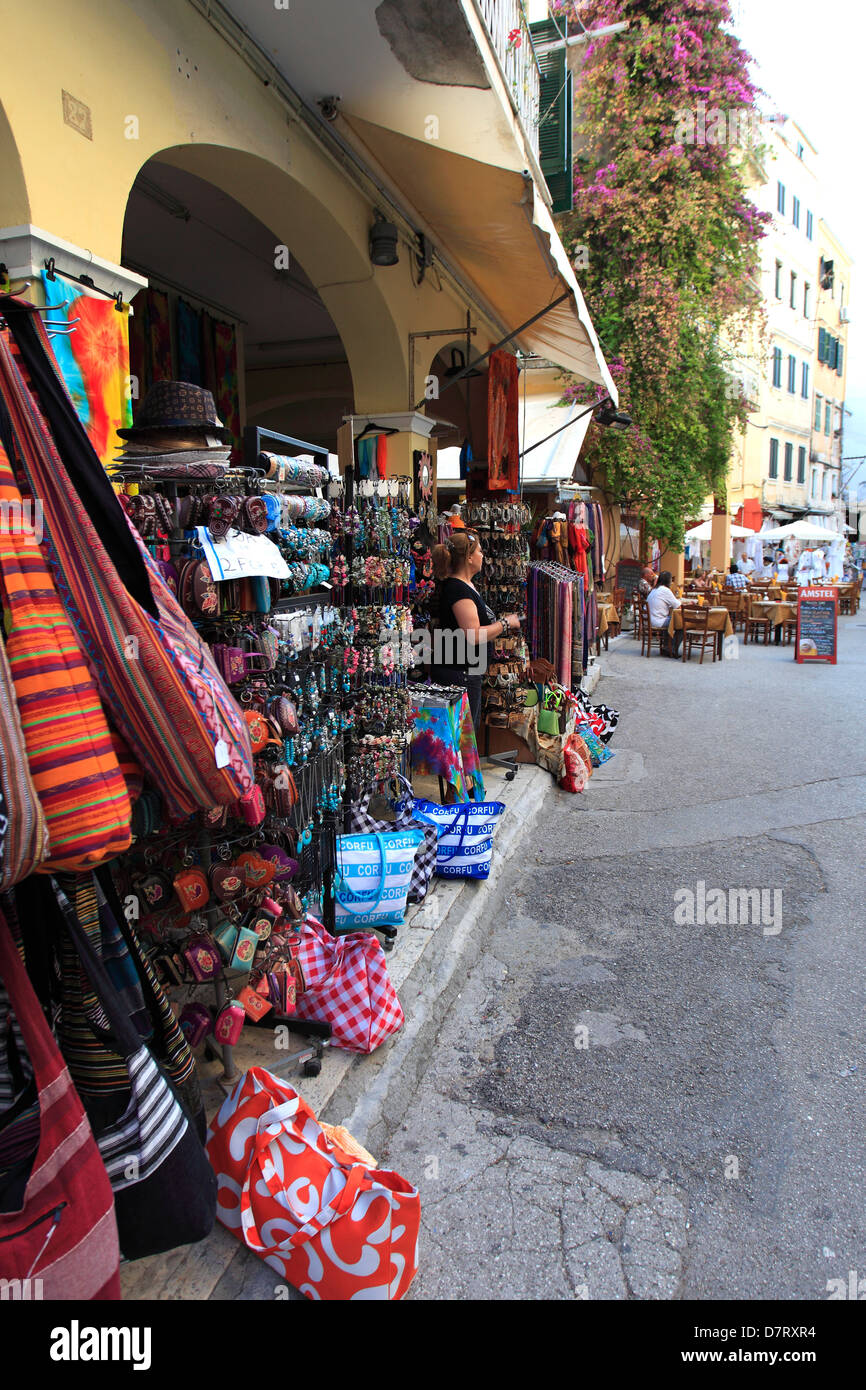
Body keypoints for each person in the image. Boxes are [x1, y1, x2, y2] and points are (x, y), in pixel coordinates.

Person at [430, 530, 520, 731]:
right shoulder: (457, 589)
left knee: (465, 737)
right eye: (480, 551)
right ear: (469, 558)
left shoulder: (465, 585)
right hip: (459, 675)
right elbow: (473, 634)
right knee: (463, 737)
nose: (483, 556)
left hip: (464, 672)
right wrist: (506, 623)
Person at [646, 569, 682, 656]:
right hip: (658, 621)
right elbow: (678, 606)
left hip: (650, 620)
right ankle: (672, 649)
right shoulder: (665, 590)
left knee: (671, 620)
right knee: (681, 623)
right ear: (668, 581)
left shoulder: (654, 590)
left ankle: (666, 647)